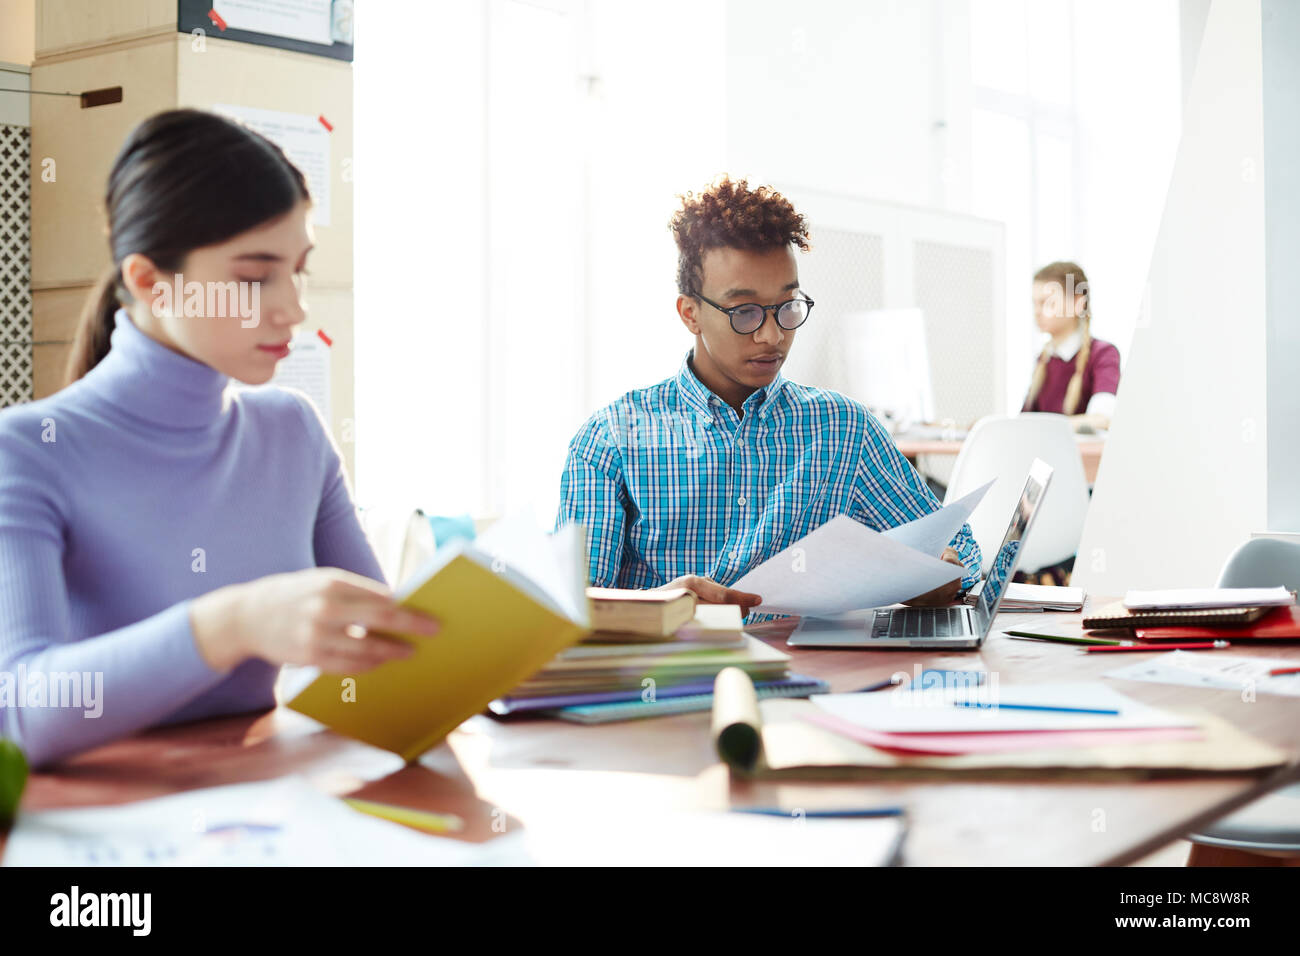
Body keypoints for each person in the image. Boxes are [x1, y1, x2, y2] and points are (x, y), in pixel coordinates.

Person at [0, 110, 439, 767]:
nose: (293, 307)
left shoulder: (292, 429)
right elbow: (21, 713)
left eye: (298, 269)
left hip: (269, 811)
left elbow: (382, 665)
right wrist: (232, 624)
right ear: (150, 282)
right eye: (254, 276)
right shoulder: (26, 451)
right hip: (117, 834)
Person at [556, 177, 980, 613]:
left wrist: (941, 574)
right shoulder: (612, 438)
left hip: (813, 674)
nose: (772, 335)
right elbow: (573, 610)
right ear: (690, 313)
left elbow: (958, 550)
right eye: (745, 312)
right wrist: (662, 606)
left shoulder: (842, 430)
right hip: (673, 675)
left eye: (787, 306)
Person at [1022, 260, 1120, 432]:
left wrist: (1043, 428)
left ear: (1077, 304)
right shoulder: (1044, 360)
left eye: (1048, 303)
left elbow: (1103, 419)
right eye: (1035, 303)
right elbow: (1024, 423)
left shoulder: (1103, 354)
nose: (1037, 311)